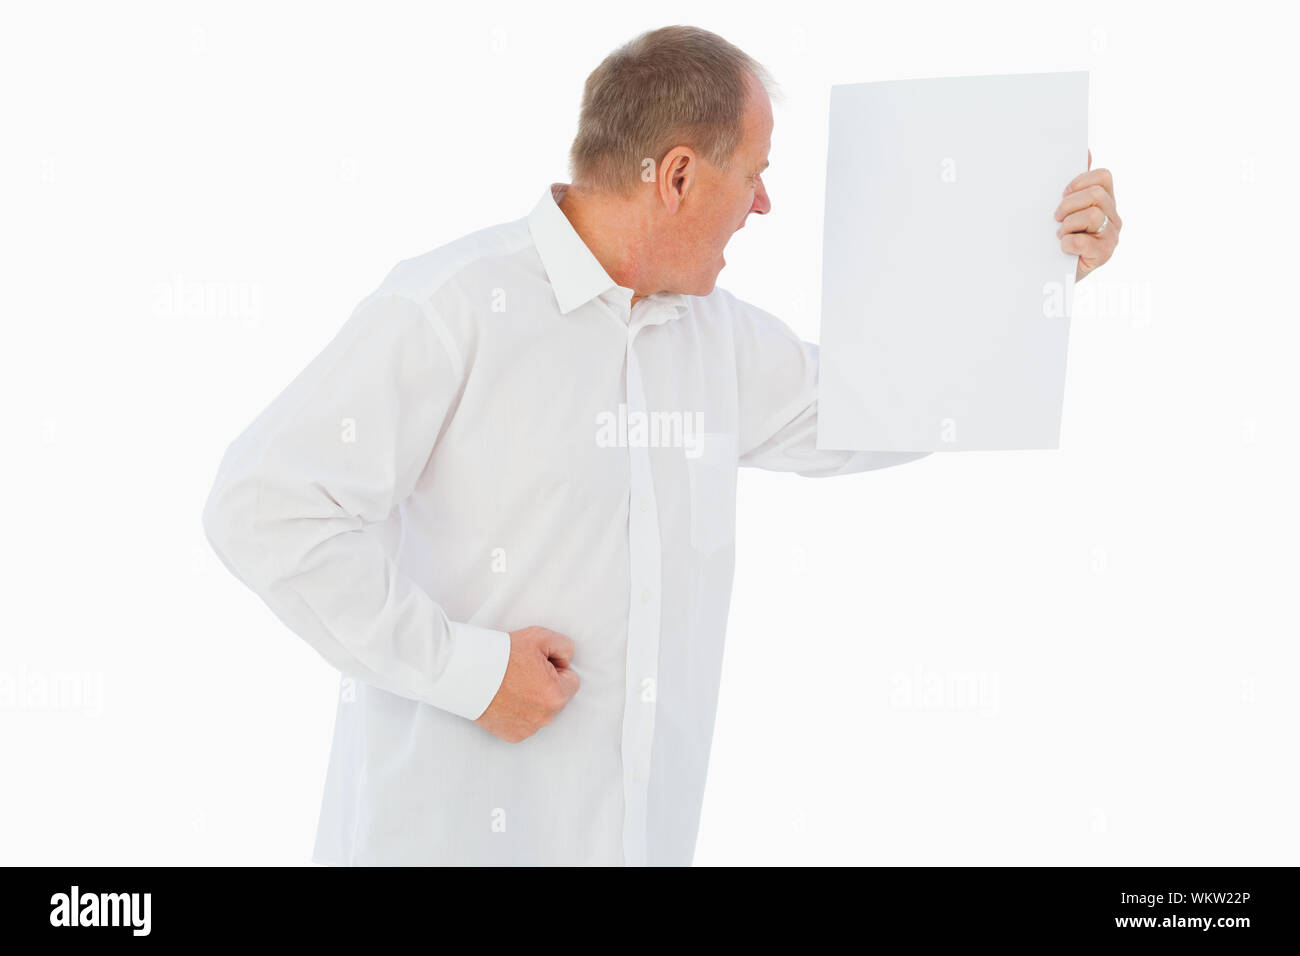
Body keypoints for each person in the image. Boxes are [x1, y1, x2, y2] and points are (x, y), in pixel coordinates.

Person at [201, 24, 1120, 866]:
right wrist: (471, 674)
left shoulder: (712, 338)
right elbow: (262, 508)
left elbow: (879, 406)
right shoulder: (448, 310)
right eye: (753, 172)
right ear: (676, 176)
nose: (764, 203)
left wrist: (1037, 270)